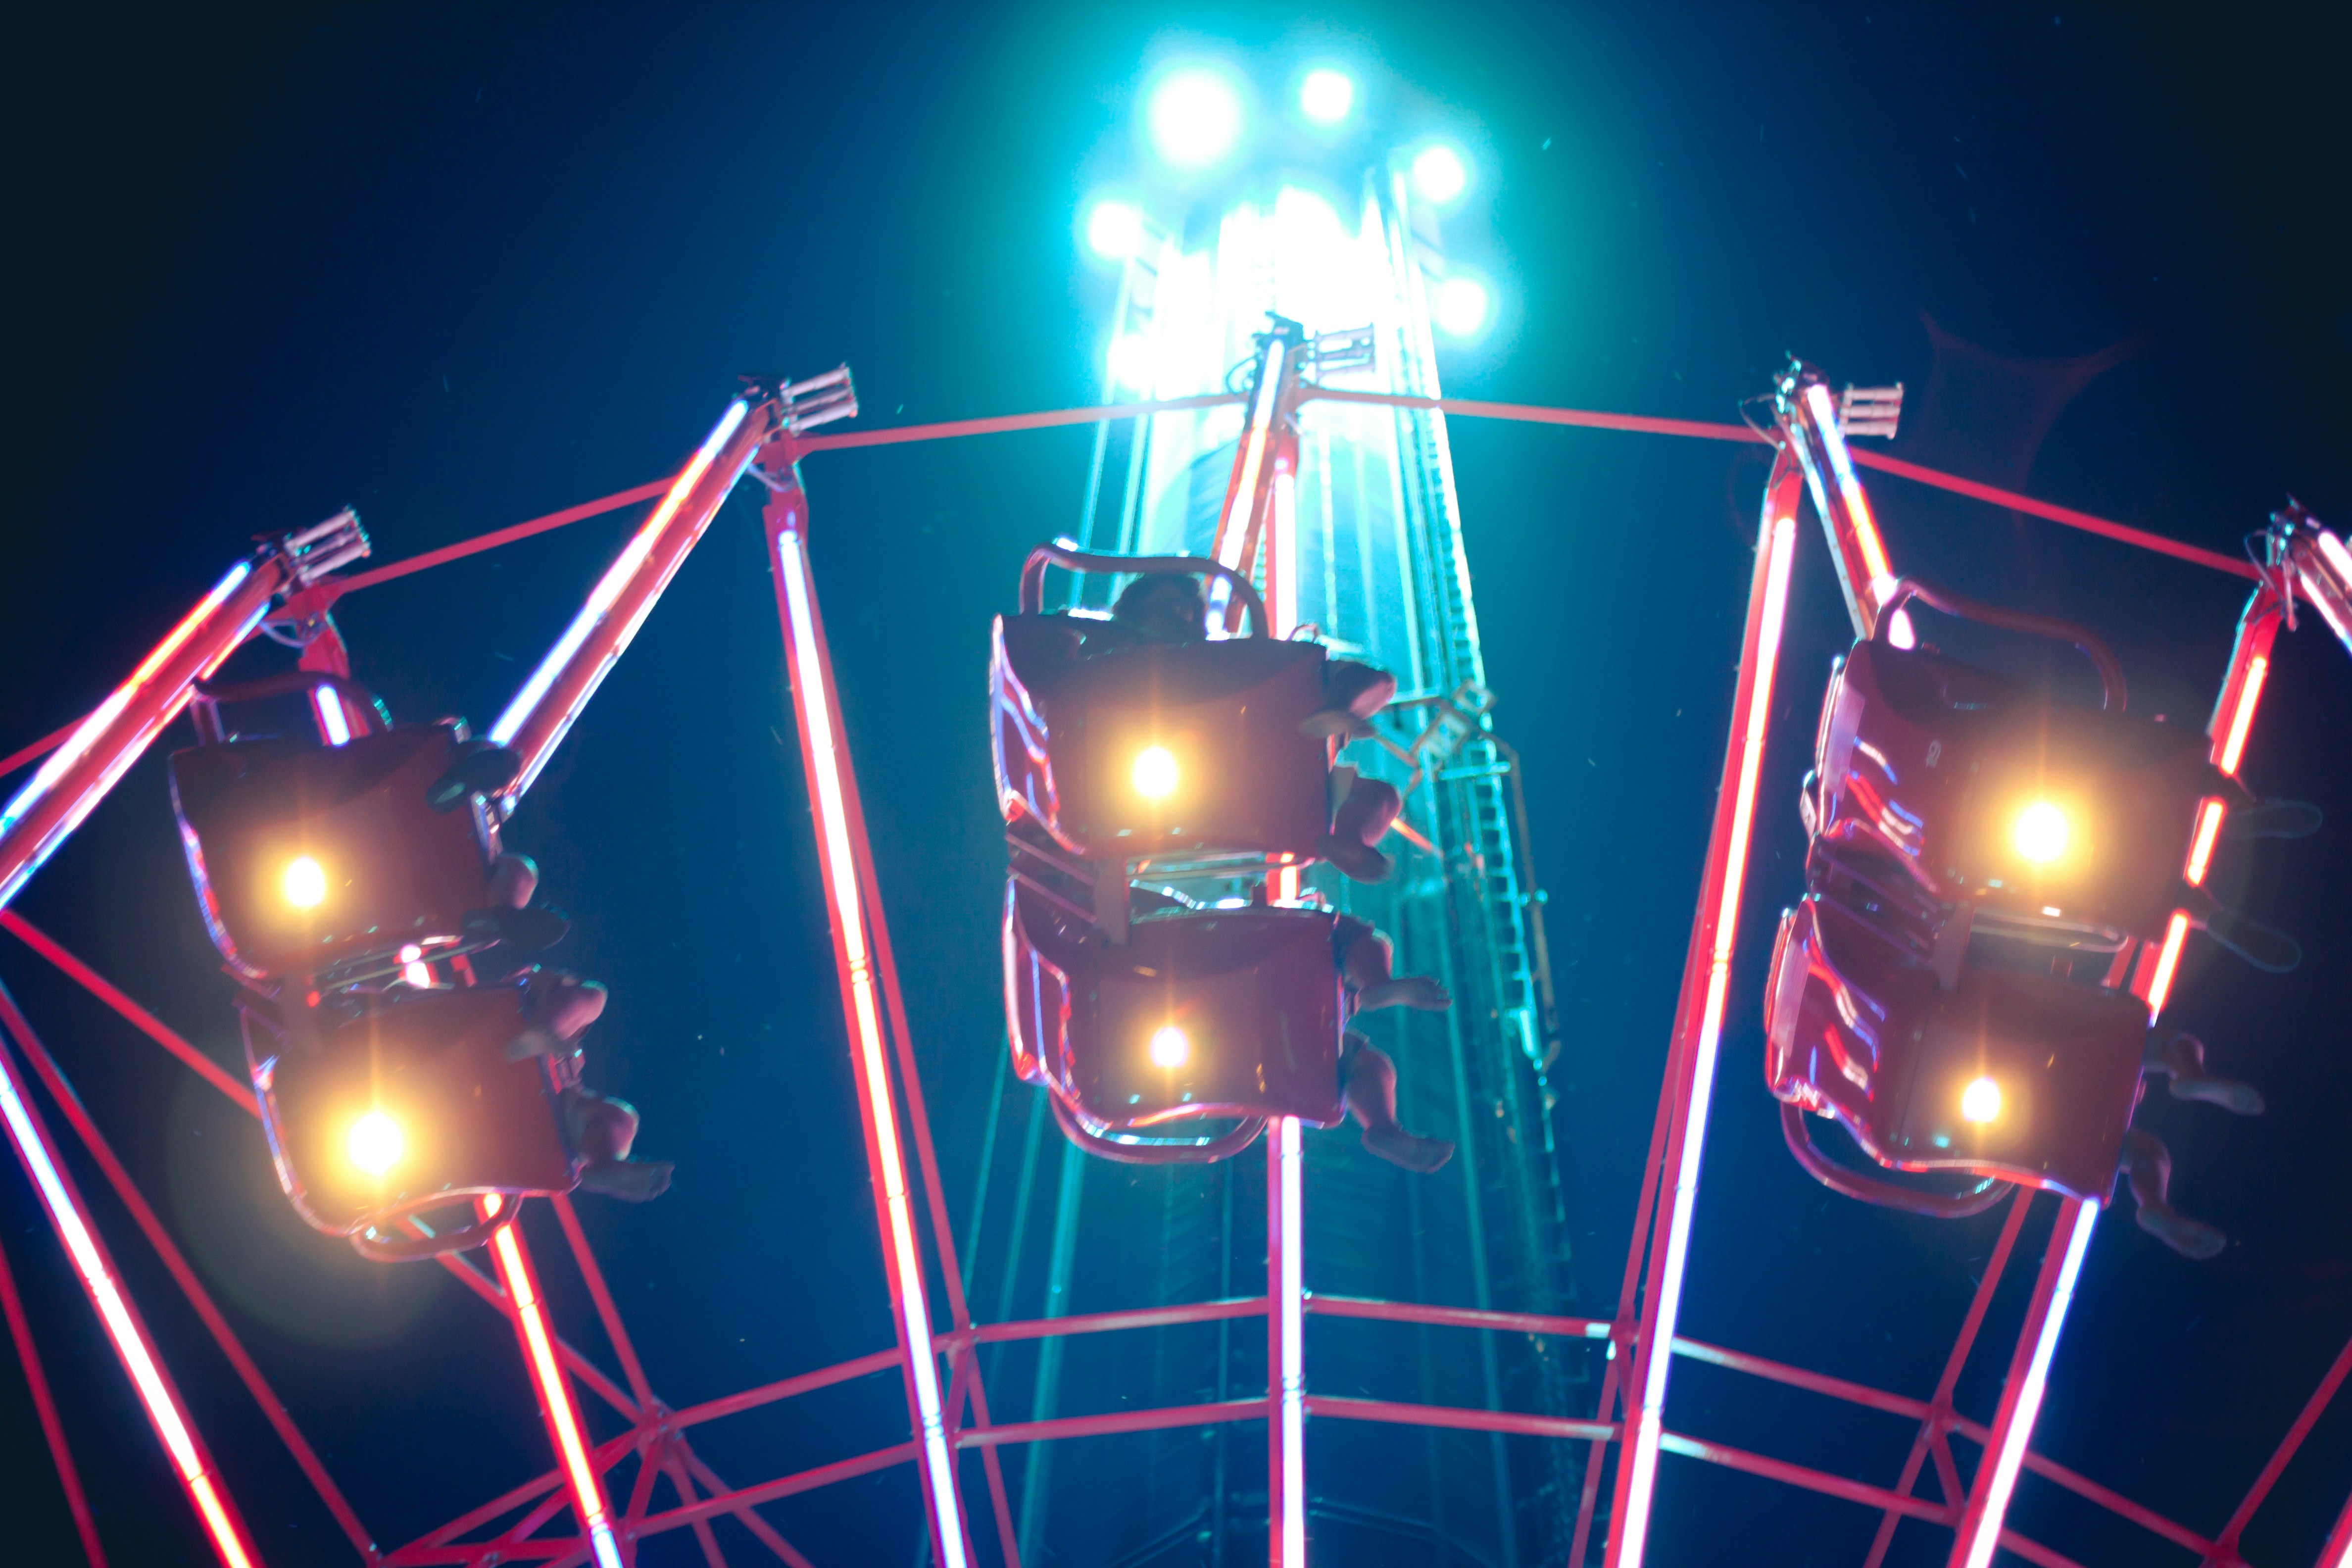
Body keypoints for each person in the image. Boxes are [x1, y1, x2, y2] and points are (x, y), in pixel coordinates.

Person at [1091, 572, 1406, 883]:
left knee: (1384, 785)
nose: (1182, 613)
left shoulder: (1217, 655)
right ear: (1134, 612)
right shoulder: (1125, 670)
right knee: (1381, 793)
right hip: (1230, 771)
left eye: (1187, 606)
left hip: (1279, 729)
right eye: (1168, 605)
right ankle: (1332, 728)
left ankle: (1348, 829)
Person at [508, 967, 673, 1201]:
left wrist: (551, 983)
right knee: (620, 1121)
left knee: (598, 996)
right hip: (557, 1122)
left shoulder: (564, 996)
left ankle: (534, 1039)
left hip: (546, 1087)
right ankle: (614, 1170)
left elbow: (534, 982)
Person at [2118, 1032, 2262, 1259]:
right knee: (2173, 1041)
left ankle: (2156, 1207)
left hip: (2058, 1124)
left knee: (2149, 1150)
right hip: (2082, 1082)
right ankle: (2191, 1072)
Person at [1333, 914, 1455, 1174]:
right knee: (1365, 1065)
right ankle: (1382, 1124)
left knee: (1369, 939)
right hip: (1282, 1055)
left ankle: (1379, 984)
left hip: (1279, 956)